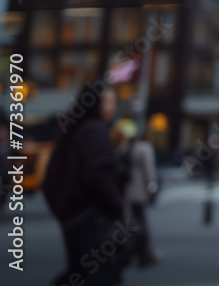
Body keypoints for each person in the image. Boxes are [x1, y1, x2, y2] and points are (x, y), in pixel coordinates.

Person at [44, 82, 128, 286]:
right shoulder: (94, 130)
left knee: (80, 272)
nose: (112, 107)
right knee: (99, 275)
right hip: (89, 216)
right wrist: (117, 206)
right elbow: (98, 174)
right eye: (107, 102)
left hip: (73, 215)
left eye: (113, 102)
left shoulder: (75, 128)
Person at [116, 127, 161, 268]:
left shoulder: (125, 147)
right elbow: (149, 170)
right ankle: (143, 253)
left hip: (126, 189)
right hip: (139, 189)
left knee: (131, 221)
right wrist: (151, 187)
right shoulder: (145, 148)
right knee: (140, 222)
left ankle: (134, 252)